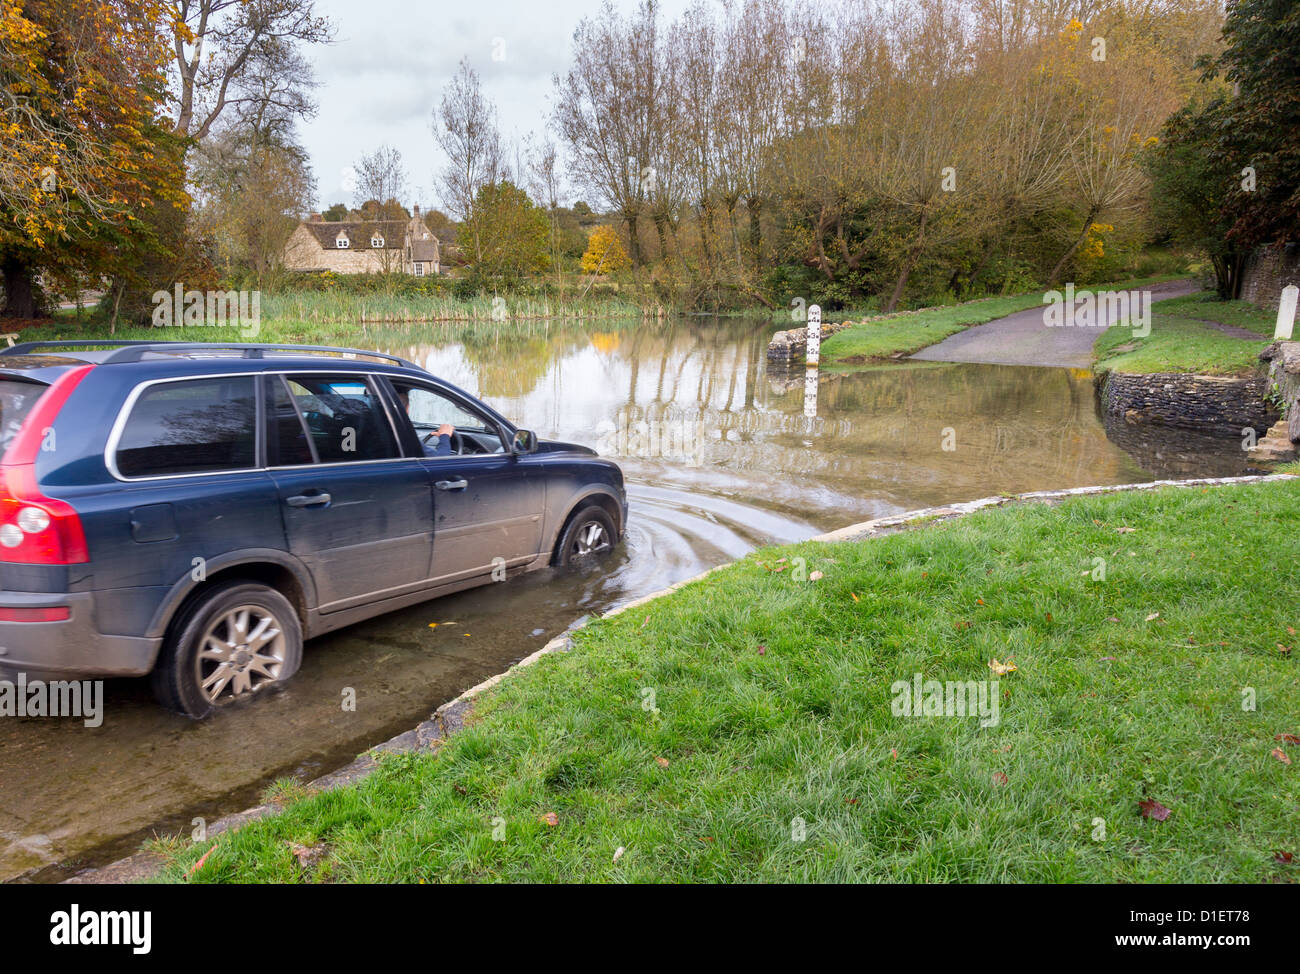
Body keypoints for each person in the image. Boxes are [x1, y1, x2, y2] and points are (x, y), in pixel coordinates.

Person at [396, 389, 455, 457]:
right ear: (407, 410)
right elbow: (439, 459)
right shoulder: (401, 436)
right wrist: (444, 436)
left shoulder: (386, 432)